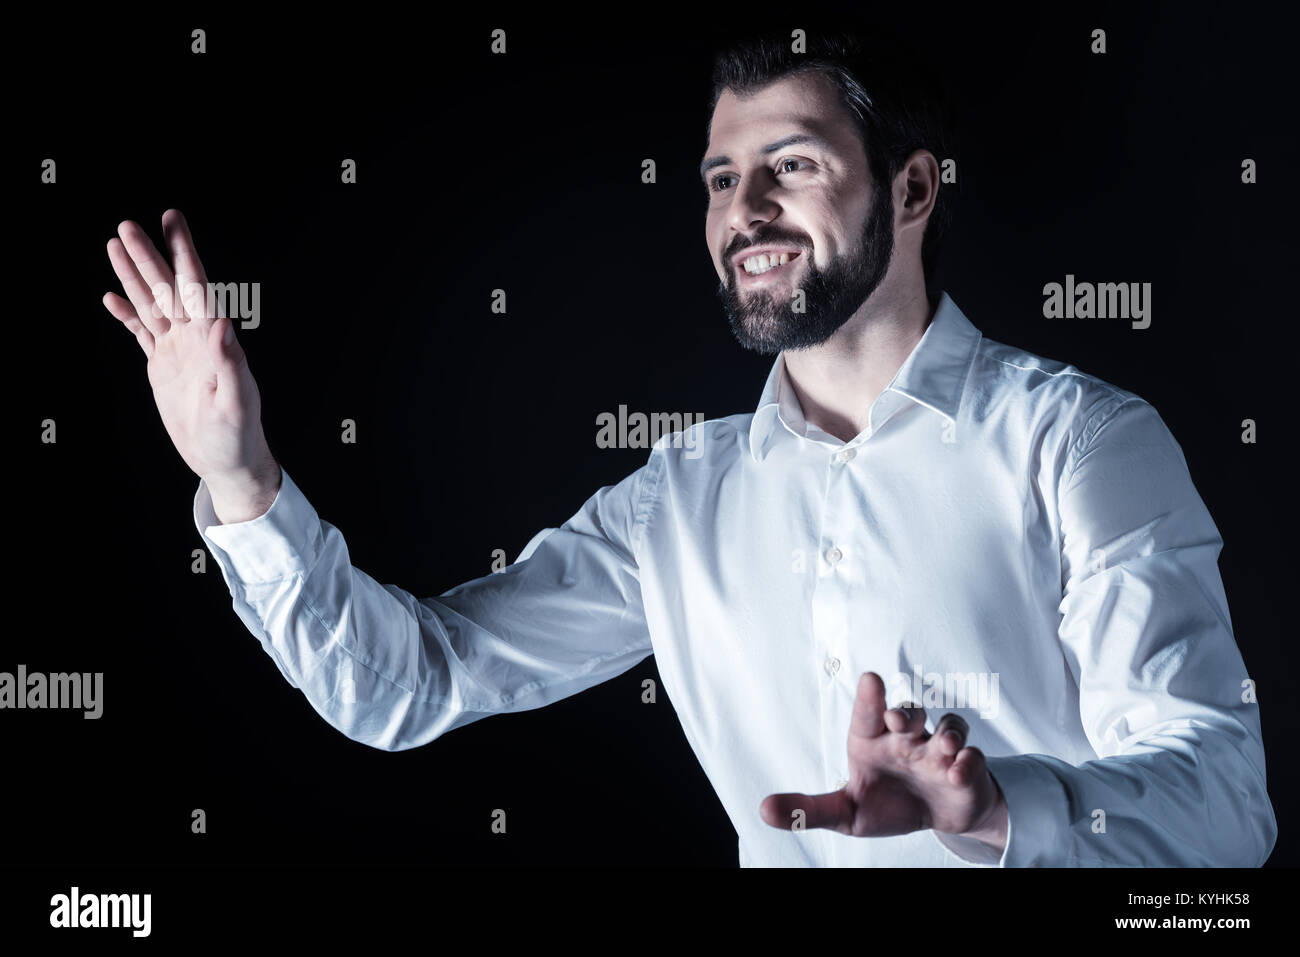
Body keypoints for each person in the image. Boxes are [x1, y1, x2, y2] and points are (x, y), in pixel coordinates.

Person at [102, 29, 1276, 866]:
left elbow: (1225, 806)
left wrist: (992, 811)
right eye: (723, 178)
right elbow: (409, 686)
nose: (745, 210)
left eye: (793, 165)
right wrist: (241, 480)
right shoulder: (677, 500)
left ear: (912, 190)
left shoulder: (1079, 442)